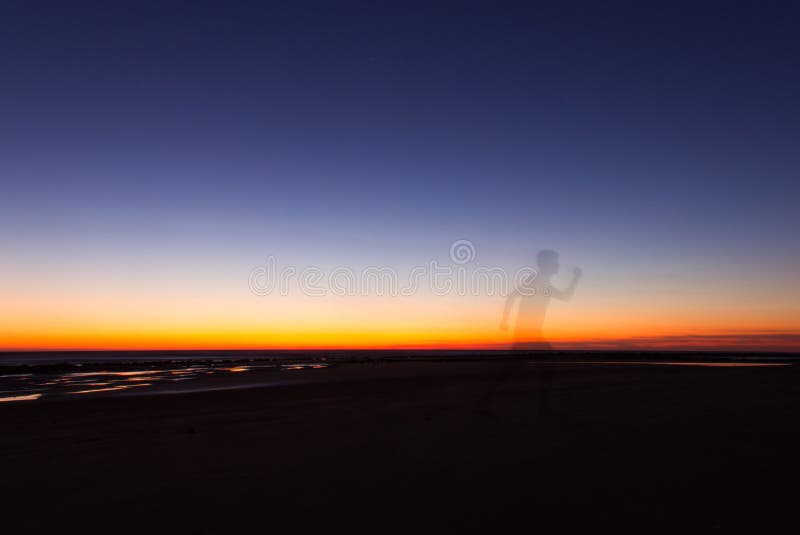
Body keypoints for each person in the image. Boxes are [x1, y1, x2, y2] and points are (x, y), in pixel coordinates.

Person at [500, 249, 581, 349]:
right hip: (527, 332)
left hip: (529, 331)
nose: (558, 265)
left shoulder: (539, 280)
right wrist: (576, 278)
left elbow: (511, 297)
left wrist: (505, 320)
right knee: (545, 359)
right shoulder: (539, 281)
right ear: (546, 264)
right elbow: (565, 297)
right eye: (555, 262)